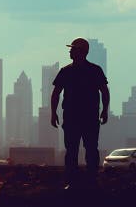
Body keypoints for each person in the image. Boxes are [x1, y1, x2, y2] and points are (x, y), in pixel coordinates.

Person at [51, 37, 109, 190]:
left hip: (84, 117)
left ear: (81, 52)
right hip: (74, 117)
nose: (70, 51)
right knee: (74, 150)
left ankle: (89, 180)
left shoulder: (92, 70)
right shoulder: (67, 71)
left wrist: (105, 110)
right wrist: (53, 113)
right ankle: (75, 181)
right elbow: (55, 93)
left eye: (73, 49)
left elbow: (104, 91)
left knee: (88, 149)